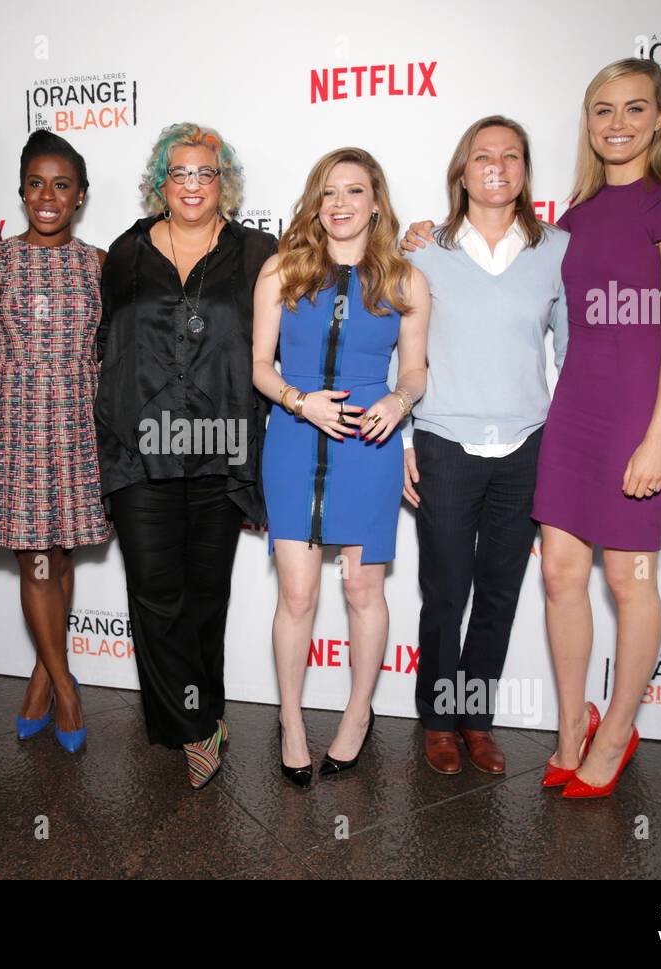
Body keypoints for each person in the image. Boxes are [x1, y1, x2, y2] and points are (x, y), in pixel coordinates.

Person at [535, 59, 661, 798]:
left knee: (629, 579)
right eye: (603, 110)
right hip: (574, 408)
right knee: (559, 574)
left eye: (634, 109)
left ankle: (617, 733)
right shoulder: (576, 211)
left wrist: (659, 434)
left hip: (640, 409)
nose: (617, 124)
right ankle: (572, 726)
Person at [95, 123, 276, 789]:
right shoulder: (125, 252)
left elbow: (326, 285)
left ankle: (197, 713)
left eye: (206, 172)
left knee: (206, 595)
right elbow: (105, 346)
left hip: (221, 449)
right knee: (154, 590)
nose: (194, 185)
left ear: (223, 180)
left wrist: (415, 243)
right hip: (141, 452)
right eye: (180, 173)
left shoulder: (260, 253)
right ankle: (198, 728)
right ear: (159, 183)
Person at [396, 117, 570, 776]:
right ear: (461, 171)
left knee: (500, 591)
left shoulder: (557, 249)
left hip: (528, 443)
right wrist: (405, 437)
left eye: (511, 155)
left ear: (525, 169)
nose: (496, 165)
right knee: (446, 591)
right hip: (444, 439)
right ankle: (438, 721)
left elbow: (573, 350)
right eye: (482, 155)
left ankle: (476, 718)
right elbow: (403, 351)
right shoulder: (423, 248)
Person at [253, 147, 428, 787]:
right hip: (295, 439)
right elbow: (259, 368)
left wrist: (398, 398)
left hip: (369, 441)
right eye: (328, 192)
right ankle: (292, 721)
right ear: (314, 202)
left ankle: (358, 714)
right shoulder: (282, 271)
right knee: (297, 594)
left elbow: (414, 369)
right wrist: (301, 402)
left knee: (362, 590)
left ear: (375, 202)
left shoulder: (405, 279)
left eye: (354, 192)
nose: (340, 204)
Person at [0, 130, 111, 754]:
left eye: (62, 185)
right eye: (37, 184)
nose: (48, 196)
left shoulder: (98, 264)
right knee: (37, 559)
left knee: (60, 557)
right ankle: (67, 688)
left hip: (76, 425)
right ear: (20, 192)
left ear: (80, 197)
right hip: (15, 423)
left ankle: (41, 681)